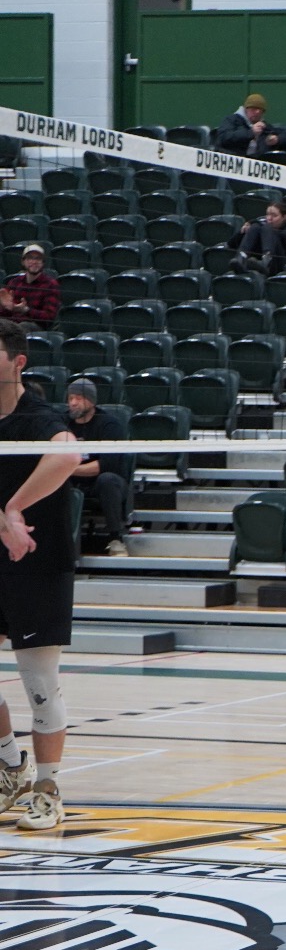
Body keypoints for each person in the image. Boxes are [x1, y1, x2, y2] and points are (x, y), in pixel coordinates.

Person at [0, 319, 80, 831]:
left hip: (39, 559)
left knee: (39, 684)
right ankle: (10, 767)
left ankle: (48, 789)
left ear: (17, 363)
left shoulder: (38, 416)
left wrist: (14, 508)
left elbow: (69, 454)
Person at [64, 380, 132, 558]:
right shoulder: (62, 423)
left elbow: (106, 465)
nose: (73, 403)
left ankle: (116, 539)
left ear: (92, 401)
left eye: (78, 398)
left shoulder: (109, 424)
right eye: (70, 398)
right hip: (72, 481)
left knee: (107, 479)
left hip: (103, 483)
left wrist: (68, 470)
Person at [232, 203, 286, 275]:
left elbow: (282, 238)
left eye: (274, 215)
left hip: (283, 264)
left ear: (284, 217)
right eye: (267, 214)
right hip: (258, 262)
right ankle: (241, 257)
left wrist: (264, 227)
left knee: (265, 227)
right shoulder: (261, 227)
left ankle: (267, 259)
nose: (269, 218)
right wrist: (245, 229)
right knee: (255, 226)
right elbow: (231, 243)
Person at [214, 94, 286, 160]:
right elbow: (223, 138)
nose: (257, 112)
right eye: (254, 109)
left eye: (261, 110)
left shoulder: (265, 127)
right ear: (246, 109)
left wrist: (277, 139)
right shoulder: (232, 120)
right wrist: (251, 132)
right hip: (233, 162)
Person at [0, 243, 59, 331]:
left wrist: (26, 310)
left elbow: (49, 317)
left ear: (43, 263)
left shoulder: (50, 284)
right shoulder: (15, 282)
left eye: (38, 258)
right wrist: (5, 307)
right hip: (12, 325)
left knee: (22, 326)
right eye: (30, 258)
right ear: (23, 262)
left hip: (35, 327)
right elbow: (5, 313)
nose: (34, 261)